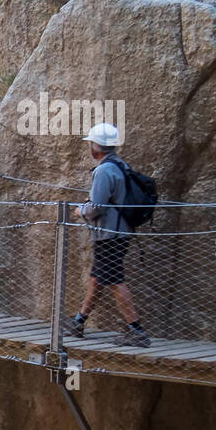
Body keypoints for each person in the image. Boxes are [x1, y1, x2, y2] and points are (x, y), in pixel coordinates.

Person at [63, 123, 150, 347]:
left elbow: (97, 207)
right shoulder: (120, 165)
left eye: (91, 143)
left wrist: (79, 210)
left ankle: (136, 330)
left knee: (114, 280)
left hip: (108, 235)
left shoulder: (103, 170)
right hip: (120, 232)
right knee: (98, 278)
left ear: (96, 146)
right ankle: (79, 321)